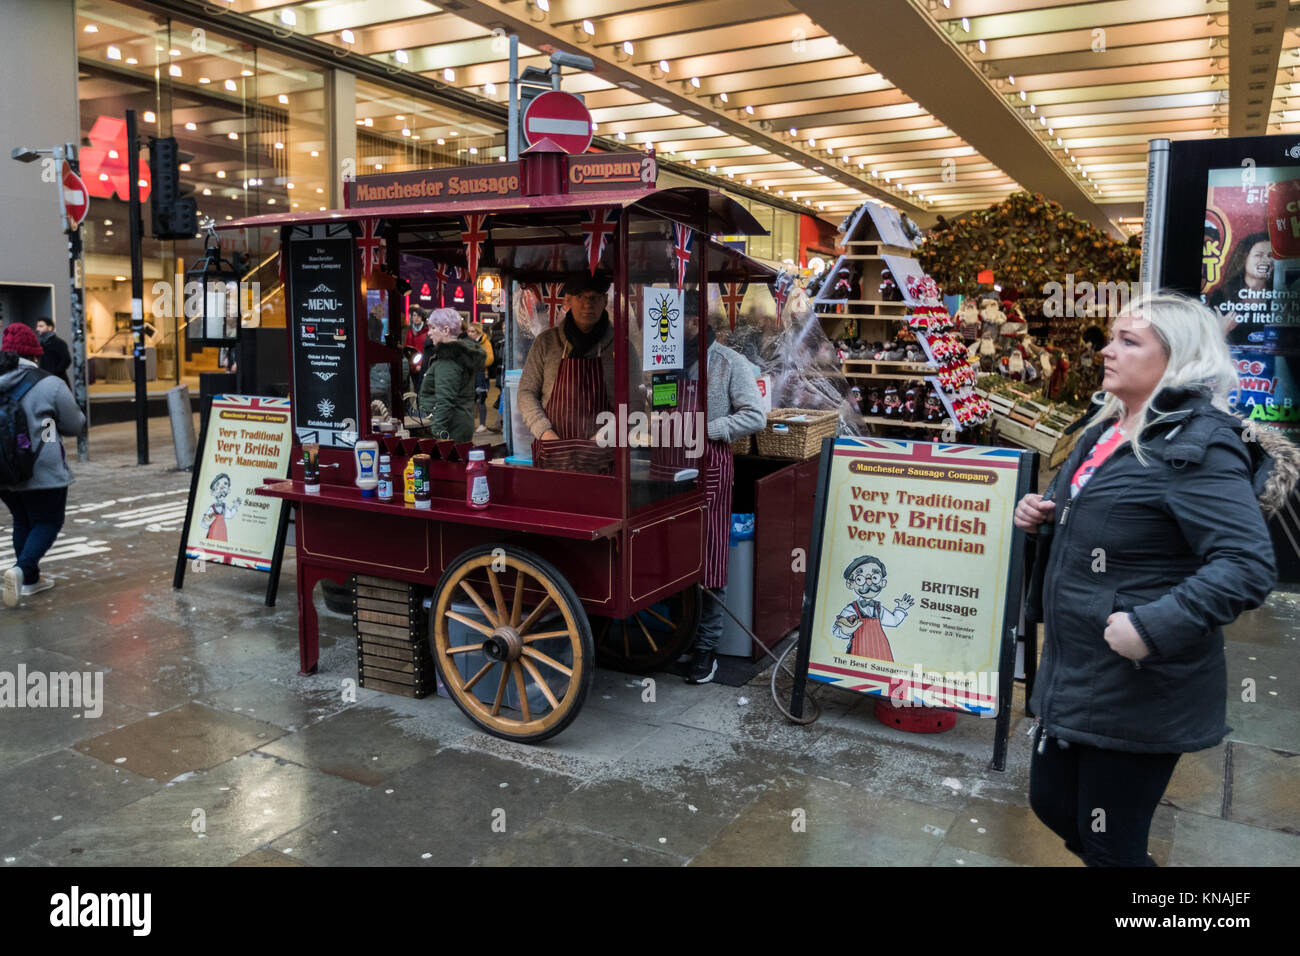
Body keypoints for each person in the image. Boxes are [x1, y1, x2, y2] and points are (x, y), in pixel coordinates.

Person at [1014, 292, 1298, 867]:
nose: (1106, 351)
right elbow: (1110, 518)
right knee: (1051, 803)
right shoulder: (1107, 429)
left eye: (1128, 341)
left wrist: (1151, 625)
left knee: (1110, 843)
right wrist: (1045, 515)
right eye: (1112, 337)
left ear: (1178, 359)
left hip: (1139, 685)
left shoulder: (1200, 445)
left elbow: (1246, 565)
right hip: (1077, 670)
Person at [675, 302, 765, 685]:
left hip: (711, 466)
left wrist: (712, 428)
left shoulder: (730, 362)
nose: (684, 325)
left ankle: (706, 649)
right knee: (674, 558)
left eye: (689, 317)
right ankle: (679, 638)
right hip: (670, 462)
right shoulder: (665, 360)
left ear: (701, 321)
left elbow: (755, 415)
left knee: (710, 560)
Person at [0, 322, 86, 608]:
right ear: (34, 355)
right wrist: (49, 425)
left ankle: (30, 581)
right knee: (48, 520)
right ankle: (21, 570)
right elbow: (75, 424)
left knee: (23, 519)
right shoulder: (49, 383)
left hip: (4, 470)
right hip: (42, 469)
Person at [517, 273, 621, 473]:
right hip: (553, 454)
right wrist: (546, 434)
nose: (587, 304)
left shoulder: (620, 346)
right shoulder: (546, 343)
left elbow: (634, 400)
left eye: (595, 297)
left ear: (605, 300)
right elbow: (526, 392)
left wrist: (602, 438)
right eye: (581, 296)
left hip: (602, 457)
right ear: (568, 300)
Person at [417, 308, 484, 443]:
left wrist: (437, 432)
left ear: (446, 330)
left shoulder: (448, 359)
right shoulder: (459, 355)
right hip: (460, 423)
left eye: (433, 328)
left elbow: (445, 400)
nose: (429, 333)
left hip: (450, 427)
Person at [1207, 232, 1271, 335]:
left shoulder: (1281, 297)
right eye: (1258, 255)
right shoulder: (1221, 297)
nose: (1266, 260)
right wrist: (1221, 331)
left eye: (1270, 256)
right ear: (1244, 258)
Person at [465, 321, 494, 434]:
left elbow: (490, 359)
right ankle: (470, 424)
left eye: (473, 331)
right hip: (470, 375)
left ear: (478, 332)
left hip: (481, 375)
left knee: (481, 400)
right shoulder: (467, 343)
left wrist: (476, 363)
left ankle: (482, 424)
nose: (470, 333)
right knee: (470, 400)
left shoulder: (485, 342)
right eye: (469, 331)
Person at [35, 318, 71, 382]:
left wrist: (54, 373)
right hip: (43, 379)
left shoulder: (59, 343)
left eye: (41, 326)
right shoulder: (40, 343)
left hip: (57, 380)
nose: (37, 329)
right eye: (37, 326)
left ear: (50, 328)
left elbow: (66, 360)